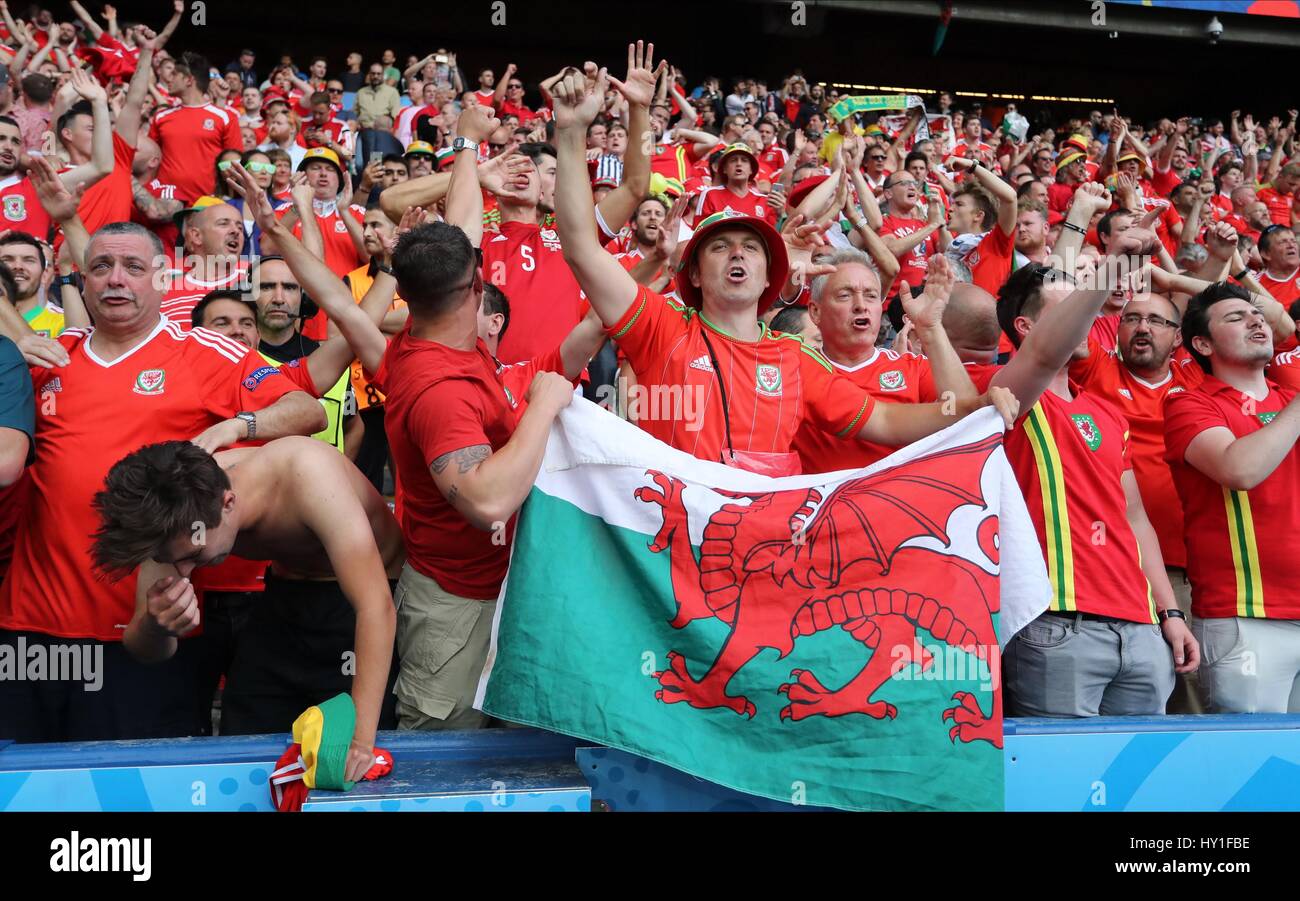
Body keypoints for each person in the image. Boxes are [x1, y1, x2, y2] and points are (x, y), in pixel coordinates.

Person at [551, 54, 1014, 477]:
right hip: (670, 554)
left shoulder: (794, 358)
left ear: (769, 276)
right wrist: (570, 135)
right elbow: (581, 249)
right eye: (719, 247)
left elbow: (888, 419)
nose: (737, 253)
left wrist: (974, 408)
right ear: (692, 273)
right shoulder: (660, 326)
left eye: (751, 248)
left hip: (763, 552)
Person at [0, 220, 324, 743]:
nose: (114, 280)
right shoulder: (51, 356)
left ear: (162, 278)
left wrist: (237, 425)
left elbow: (304, 409)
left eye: (132, 267)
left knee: (128, 794)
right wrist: (13, 360)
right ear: (82, 282)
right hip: (28, 628)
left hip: (143, 628)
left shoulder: (204, 351)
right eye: (100, 267)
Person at [984, 182, 1198, 718]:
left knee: (1142, 793)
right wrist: (1107, 263)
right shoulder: (1002, 393)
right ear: (1027, 327)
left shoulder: (1105, 411)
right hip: (1055, 623)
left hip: (1140, 626)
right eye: (1070, 307)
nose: (1089, 316)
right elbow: (1042, 355)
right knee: (1057, 794)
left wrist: (1168, 613)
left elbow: (1135, 520)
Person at [90, 437, 400, 782]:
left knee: (346, 759)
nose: (186, 574)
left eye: (195, 557)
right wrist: (156, 625)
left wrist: (360, 741)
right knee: (246, 735)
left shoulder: (308, 473)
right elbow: (143, 647)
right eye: (173, 560)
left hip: (364, 602)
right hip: (284, 597)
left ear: (229, 503)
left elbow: (375, 606)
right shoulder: (176, 514)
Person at [1164, 282, 1300, 712]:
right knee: (1252, 768)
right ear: (1202, 343)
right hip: (1244, 616)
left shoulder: (1289, 400)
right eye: (1235, 318)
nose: (1255, 320)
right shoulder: (1188, 403)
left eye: (1255, 314)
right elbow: (1239, 470)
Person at [793, 251, 978, 473]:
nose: (861, 305)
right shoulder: (794, 372)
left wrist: (930, 328)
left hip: (899, 502)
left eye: (871, 296)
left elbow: (969, 419)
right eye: (845, 295)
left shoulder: (912, 368)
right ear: (815, 311)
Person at [149, 51, 243, 203]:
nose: (168, 79)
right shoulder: (161, 117)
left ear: (189, 80)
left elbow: (234, 163)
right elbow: (149, 162)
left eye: (174, 74)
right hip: (166, 204)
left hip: (208, 203)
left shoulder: (225, 118)